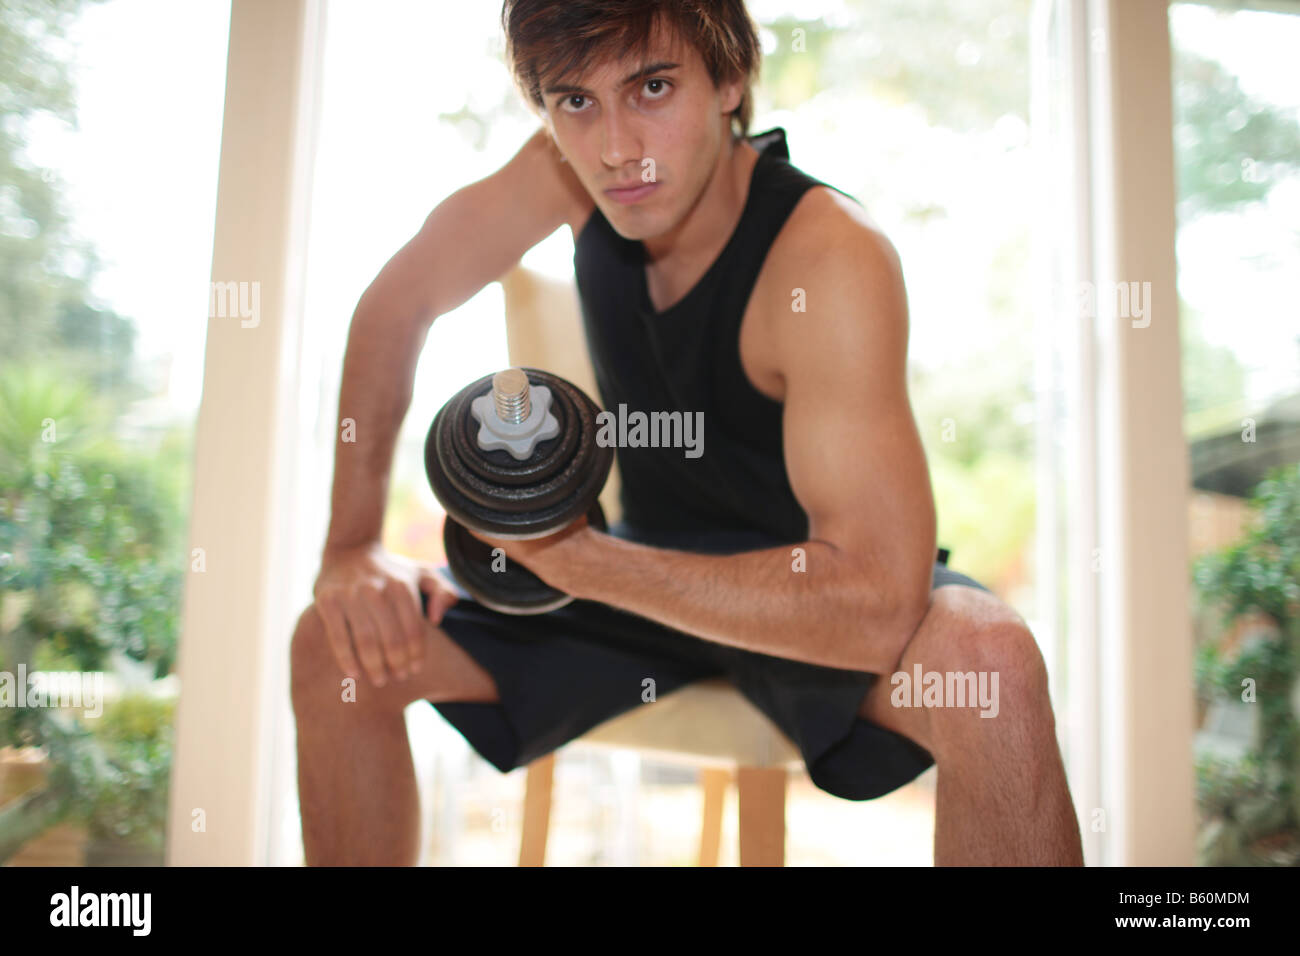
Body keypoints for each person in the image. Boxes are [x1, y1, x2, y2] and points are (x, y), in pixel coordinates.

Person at [291, 0, 1084, 866]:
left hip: (809, 597)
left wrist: (580, 560)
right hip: (636, 589)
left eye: (653, 88)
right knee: (334, 640)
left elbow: (874, 606)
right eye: (576, 102)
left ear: (729, 80)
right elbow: (396, 302)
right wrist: (352, 543)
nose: (615, 149)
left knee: (991, 666)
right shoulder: (559, 171)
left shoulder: (829, 257)